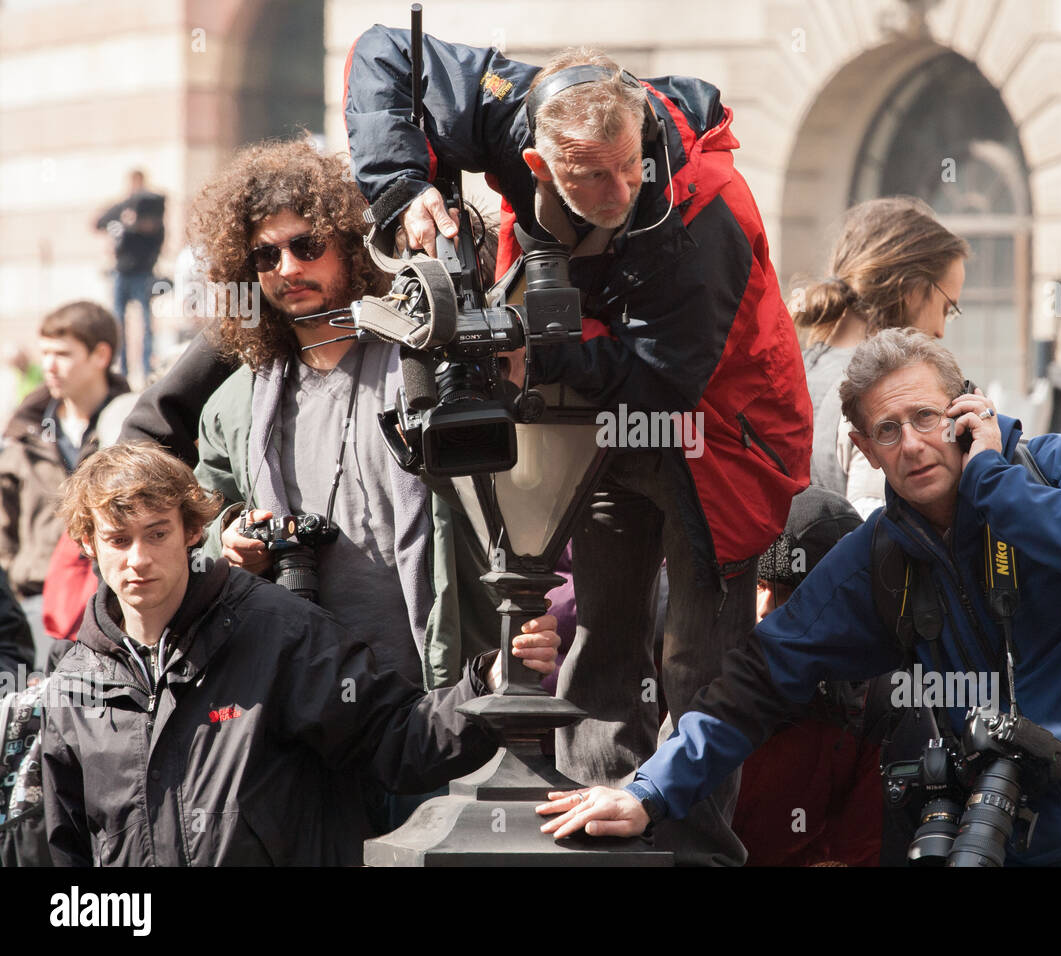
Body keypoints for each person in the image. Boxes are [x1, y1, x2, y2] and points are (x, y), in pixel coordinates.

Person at [344, 35, 812, 865]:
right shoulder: (503, 101)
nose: (621, 191)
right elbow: (383, 51)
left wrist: (538, 354)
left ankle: (693, 849)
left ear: (644, 132)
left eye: (631, 167)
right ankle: (588, 830)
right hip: (596, 411)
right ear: (533, 156)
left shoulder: (711, 206)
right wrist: (401, 189)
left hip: (724, 429)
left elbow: (664, 383)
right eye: (591, 176)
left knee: (698, 658)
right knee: (600, 631)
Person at [538, 328, 1061, 866]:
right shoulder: (877, 560)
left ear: (968, 410)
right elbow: (754, 681)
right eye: (887, 430)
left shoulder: (1057, 465)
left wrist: (995, 482)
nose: (911, 445)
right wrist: (647, 791)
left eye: (927, 419)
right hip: (1039, 845)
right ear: (864, 448)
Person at [39, 441, 559, 866]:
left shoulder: (278, 629)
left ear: (194, 531)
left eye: (157, 534)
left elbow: (394, 739)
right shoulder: (74, 683)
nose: (140, 559)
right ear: (88, 543)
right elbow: (65, 853)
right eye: (118, 539)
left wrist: (489, 681)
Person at [179, 138, 494, 693]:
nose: (288, 268)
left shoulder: (426, 365)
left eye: (308, 245)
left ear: (349, 245)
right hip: (300, 698)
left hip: (432, 688)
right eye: (266, 255)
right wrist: (227, 540)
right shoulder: (236, 403)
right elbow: (192, 529)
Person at [733, 485, 882, 866]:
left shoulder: (877, 697)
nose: (764, 609)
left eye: (786, 593)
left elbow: (861, 849)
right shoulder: (690, 650)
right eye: (759, 585)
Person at [793, 197, 969, 516]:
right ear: (911, 289)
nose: (942, 330)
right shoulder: (881, 396)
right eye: (947, 308)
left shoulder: (798, 370)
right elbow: (875, 532)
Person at [0, 302, 130, 667]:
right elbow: (5, 530)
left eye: (62, 354)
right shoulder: (23, 436)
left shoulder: (136, 425)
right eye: (44, 353)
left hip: (115, 607)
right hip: (37, 610)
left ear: (100, 354)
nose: (49, 366)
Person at [94, 170, 166, 377]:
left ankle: (146, 368)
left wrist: (145, 225)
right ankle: (122, 369)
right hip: (121, 273)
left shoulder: (152, 208)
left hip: (143, 272)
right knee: (119, 322)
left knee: (145, 322)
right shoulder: (122, 207)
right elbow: (99, 222)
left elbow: (159, 236)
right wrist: (125, 222)